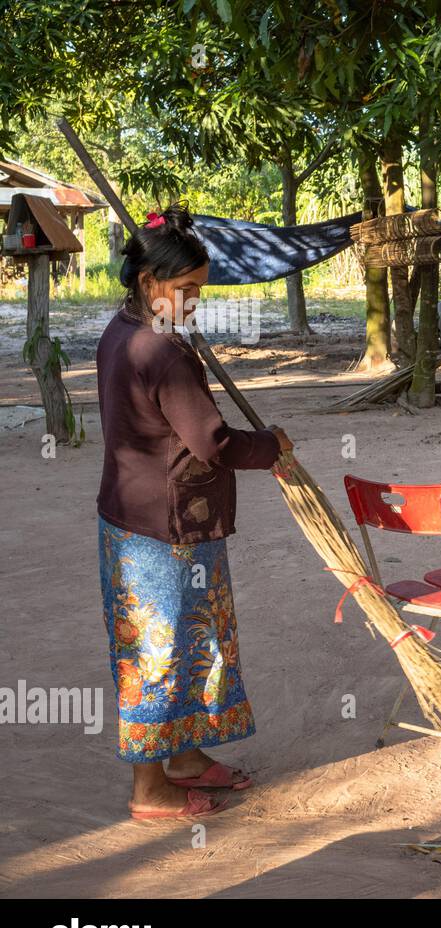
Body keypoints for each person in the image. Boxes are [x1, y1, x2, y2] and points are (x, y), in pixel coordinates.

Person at [97, 204, 292, 820]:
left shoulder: (123, 331)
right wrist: (273, 446)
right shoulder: (162, 352)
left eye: (199, 292)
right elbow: (214, 443)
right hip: (167, 529)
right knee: (156, 655)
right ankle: (149, 792)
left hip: (139, 518)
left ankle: (182, 758)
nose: (193, 303)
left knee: (183, 643)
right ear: (151, 282)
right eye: (185, 291)